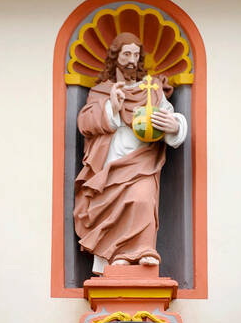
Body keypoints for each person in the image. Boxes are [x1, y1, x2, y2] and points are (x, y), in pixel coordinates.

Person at [73, 33, 187, 274]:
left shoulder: (152, 88)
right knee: (113, 208)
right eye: (126, 54)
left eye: (136, 55)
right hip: (111, 162)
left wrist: (175, 125)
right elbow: (85, 122)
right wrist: (112, 108)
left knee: (142, 199)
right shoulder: (103, 91)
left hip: (143, 160)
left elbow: (168, 114)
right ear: (116, 57)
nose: (131, 60)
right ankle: (116, 255)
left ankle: (142, 250)